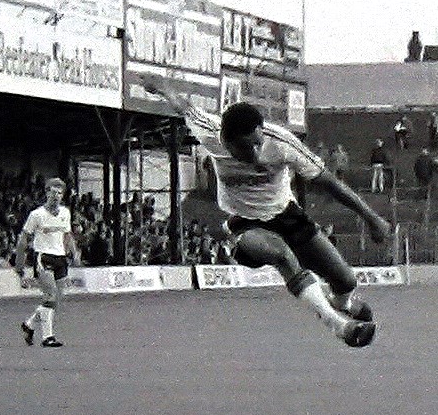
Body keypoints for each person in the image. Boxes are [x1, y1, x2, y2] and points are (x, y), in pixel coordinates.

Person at [146, 81, 389, 346]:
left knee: (345, 280)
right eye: (244, 148)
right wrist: (162, 89)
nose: (254, 153)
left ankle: (342, 304)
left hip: (285, 214)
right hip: (244, 221)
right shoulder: (209, 132)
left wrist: (371, 217)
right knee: (281, 253)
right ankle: (339, 325)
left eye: (257, 144)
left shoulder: (282, 143)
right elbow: (183, 106)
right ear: (225, 140)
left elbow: (329, 182)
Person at [15, 175, 81, 348]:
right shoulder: (36, 215)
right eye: (53, 192)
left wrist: (74, 253)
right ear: (46, 193)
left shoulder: (65, 213)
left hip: (60, 258)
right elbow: (24, 238)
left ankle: (29, 324)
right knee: (50, 297)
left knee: (55, 302)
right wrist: (19, 262)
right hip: (43, 257)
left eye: (59, 193)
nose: (56, 196)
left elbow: (67, 235)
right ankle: (48, 337)